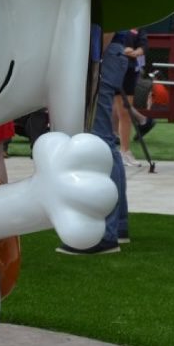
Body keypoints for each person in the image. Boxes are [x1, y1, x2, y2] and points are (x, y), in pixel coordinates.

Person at [57, 28, 128, 255]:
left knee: (101, 142)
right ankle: (118, 226)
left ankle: (106, 234)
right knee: (106, 143)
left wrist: (89, 62)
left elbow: (107, 26)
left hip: (102, 57)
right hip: (109, 54)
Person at [114, 27, 154, 167]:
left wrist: (136, 52)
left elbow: (144, 45)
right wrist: (122, 50)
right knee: (113, 110)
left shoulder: (138, 26)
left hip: (131, 70)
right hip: (114, 67)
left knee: (125, 112)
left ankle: (125, 151)